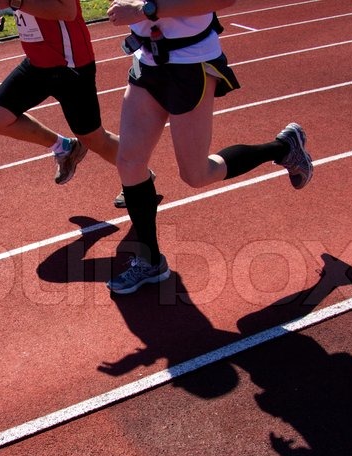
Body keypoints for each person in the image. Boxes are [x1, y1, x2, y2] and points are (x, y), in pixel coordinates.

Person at [105, 0, 313, 294]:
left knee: (196, 174)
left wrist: (144, 11)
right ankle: (150, 260)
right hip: (148, 58)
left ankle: (282, 148)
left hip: (191, 62)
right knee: (129, 163)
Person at [0, 0, 120, 186]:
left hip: (70, 65)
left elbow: (68, 11)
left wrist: (12, 2)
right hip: (37, 62)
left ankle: (140, 176)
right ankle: (65, 147)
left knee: (94, 139)